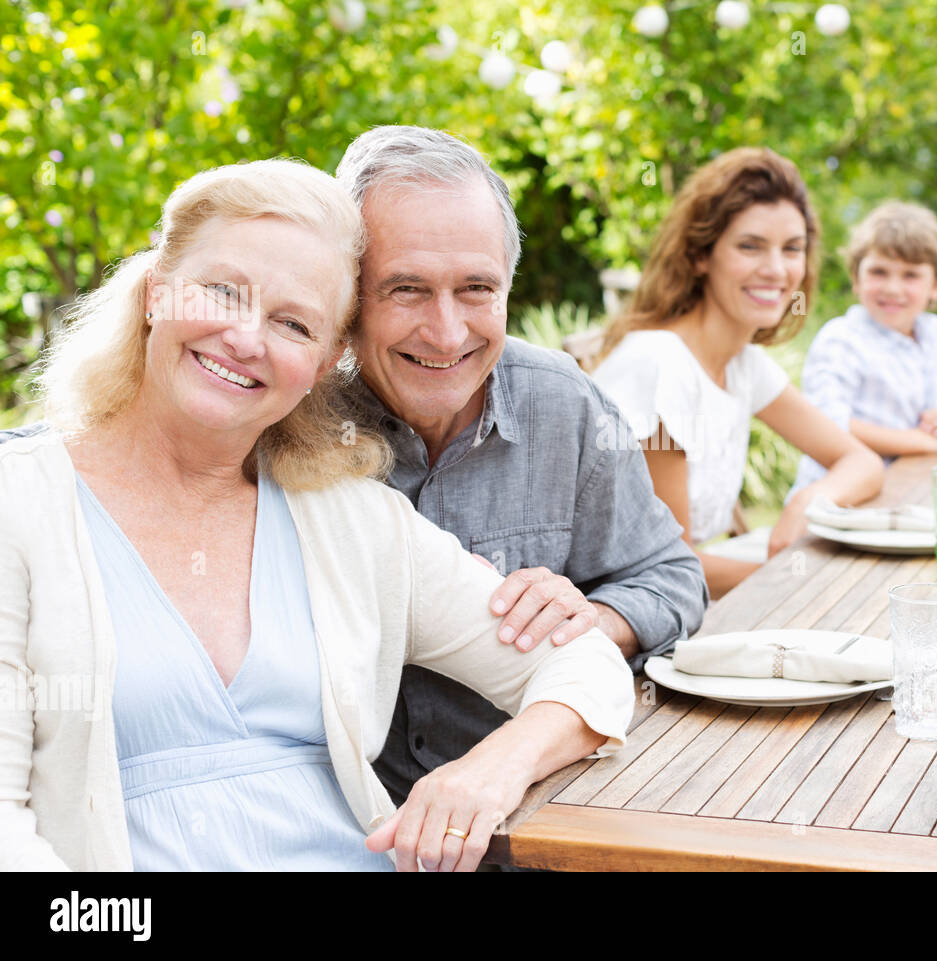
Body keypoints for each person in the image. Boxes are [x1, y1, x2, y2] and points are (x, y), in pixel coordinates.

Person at [0, 159, 632, 872]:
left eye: (292, 323)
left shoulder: (349, 522)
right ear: (156, 293)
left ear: (326, 360)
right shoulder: (18, 505)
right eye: (221, 291)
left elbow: (582, 664)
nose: (246, 339)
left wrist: (491, 767)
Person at [331, 127, 707, 805]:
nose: (447, 333)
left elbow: (673, 577)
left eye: (477, 289)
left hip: (538, 813)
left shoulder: (564, 403)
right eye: (407, 289)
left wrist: (589, 617)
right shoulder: (288, 418)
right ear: (347, 291)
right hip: (347, 828)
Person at [591, 147, 884, 599]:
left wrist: (808, 502)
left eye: (792, 249)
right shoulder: (659, 364)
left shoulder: (743, 364)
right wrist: (796, 575)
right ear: (700, 256)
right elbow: (670, 568)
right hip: (619, 622)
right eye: (750, 246)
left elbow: (861, 463)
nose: (776, 270)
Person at [792, 201, 937, 493]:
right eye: (879, 272)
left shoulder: (935, 334)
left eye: (910, 275)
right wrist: (921, 442)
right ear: (856, 278)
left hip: (910, 491)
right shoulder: (841, 340)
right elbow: (828, 424)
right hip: (837, 499)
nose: (893, 289)